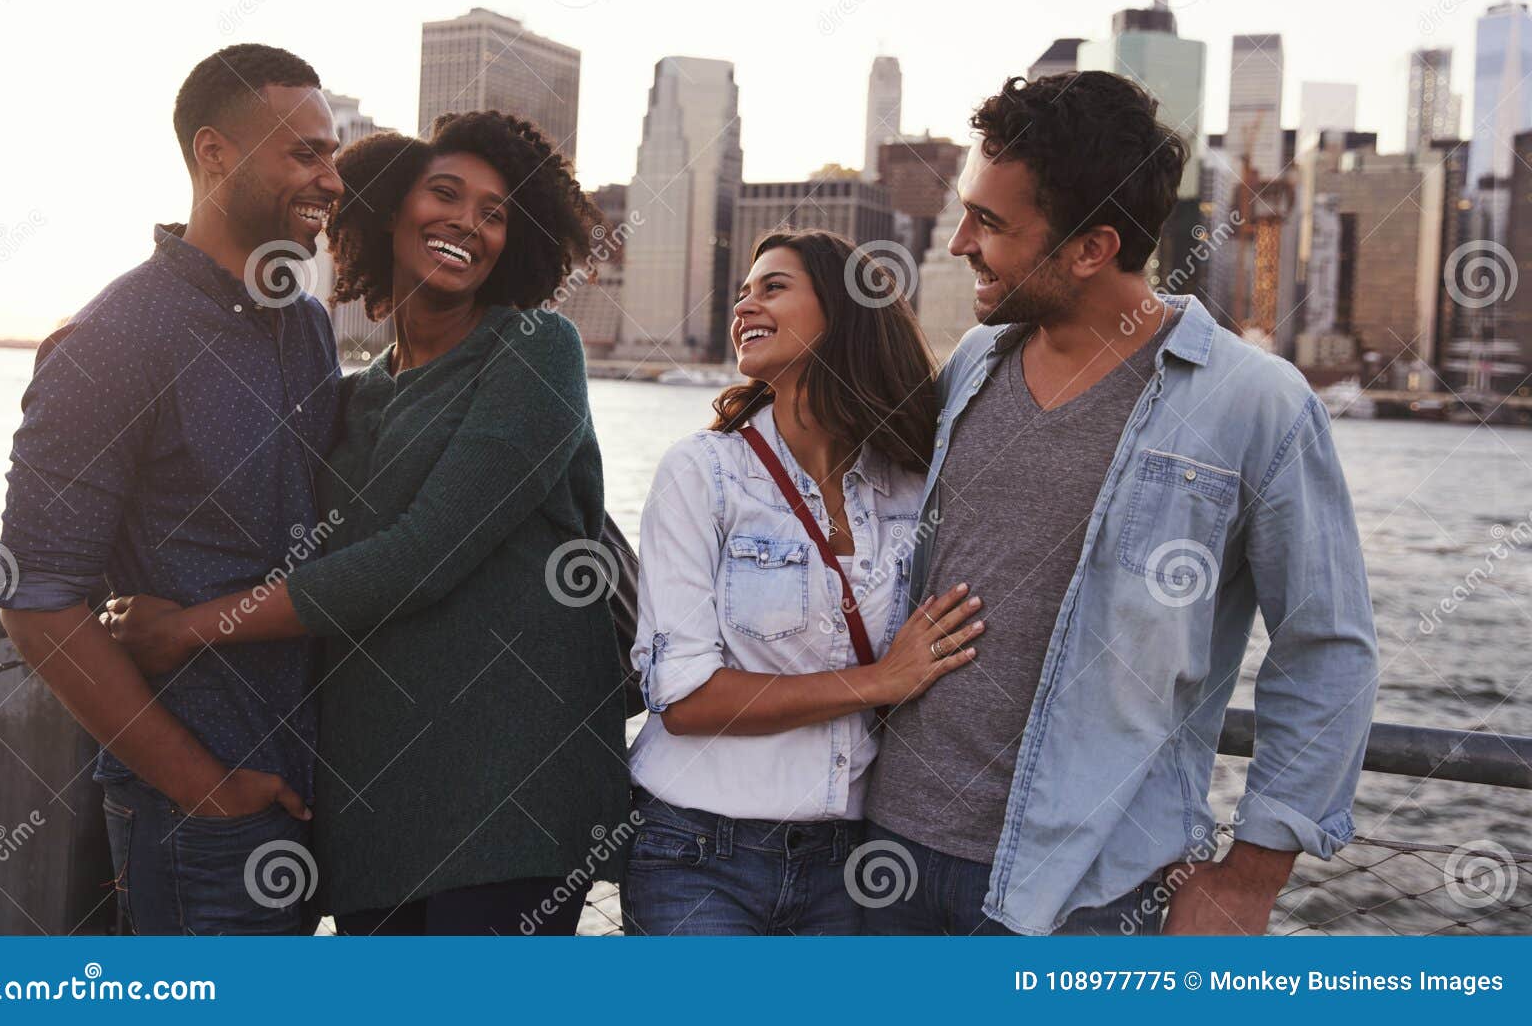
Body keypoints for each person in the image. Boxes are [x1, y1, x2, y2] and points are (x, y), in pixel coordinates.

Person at [860, 70, 1379, 936]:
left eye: (989, 223)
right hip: (884, 857)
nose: (957, 244)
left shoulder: (1258, 404)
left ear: (1092, 248)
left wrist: (1249, 877)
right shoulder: (974, 364)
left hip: (1087, 893)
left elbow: (1328, 648)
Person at [105, 110, 631, 936]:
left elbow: (421, 555)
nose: (468, 222)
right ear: (389, 210)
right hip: (371, 804)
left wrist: (188, 631)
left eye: (495, 213)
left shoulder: (535, 350)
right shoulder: (352, 395)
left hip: (513, 795)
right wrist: (99, 346)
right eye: (446, 195)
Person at [0, 44, 344, 934]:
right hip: (197, 820)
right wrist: (206, 786)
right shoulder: (113, 337)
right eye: (305, 152)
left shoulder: (304, 326)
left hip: (308, 798)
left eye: (332, 154)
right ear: (214, 153)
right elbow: (36, 604)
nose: (333, 179)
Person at [622, 229, 984, 936]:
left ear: (846, 311)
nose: (744, 304)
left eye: (772, 286)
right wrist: (880, 680)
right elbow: (686, 699)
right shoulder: (704, 473)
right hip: (698, 852)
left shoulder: (913, 486)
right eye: (742, 291)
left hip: (849, 864)